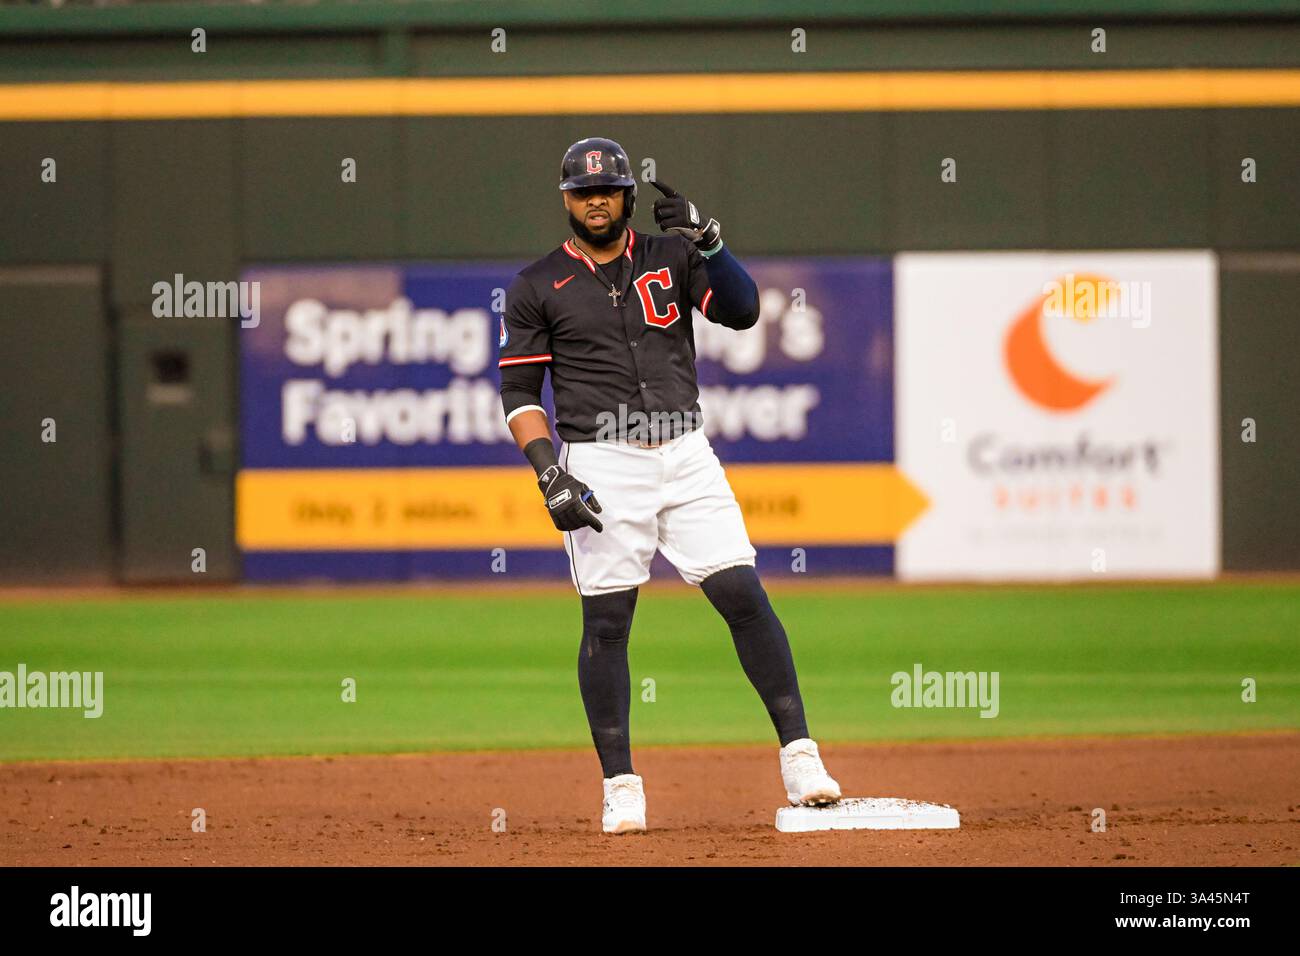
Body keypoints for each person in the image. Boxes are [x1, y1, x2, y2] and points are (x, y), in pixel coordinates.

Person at [497, 137, 841, 834]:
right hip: (601, 457)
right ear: (567, 199)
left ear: (627, 195)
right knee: (608, 620)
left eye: (609, 189)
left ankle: (800, 755)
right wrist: (549, 472)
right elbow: (518, 391)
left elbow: (742, 312)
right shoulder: (538, 285)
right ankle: (621, 784)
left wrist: (709, 240)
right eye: (584, 191)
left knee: (742, 592)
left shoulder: (673, 255)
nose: (597, 200)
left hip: (683, 450)